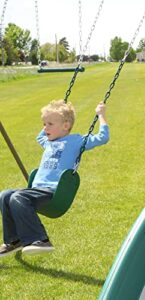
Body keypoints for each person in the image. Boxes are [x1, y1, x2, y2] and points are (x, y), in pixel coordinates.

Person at [0, 100, 109, 257]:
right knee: (4, 195)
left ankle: (41, 240)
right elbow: (40, 136)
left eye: (49, 124)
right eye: (44, 123)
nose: (45, 128)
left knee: (18, 197)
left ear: (65, 126)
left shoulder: (76, 141)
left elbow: (103, 137)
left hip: (53, 191)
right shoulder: (47, 141)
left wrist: (101, 115)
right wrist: (52, 113)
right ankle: (14, 240)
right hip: (36, 190)